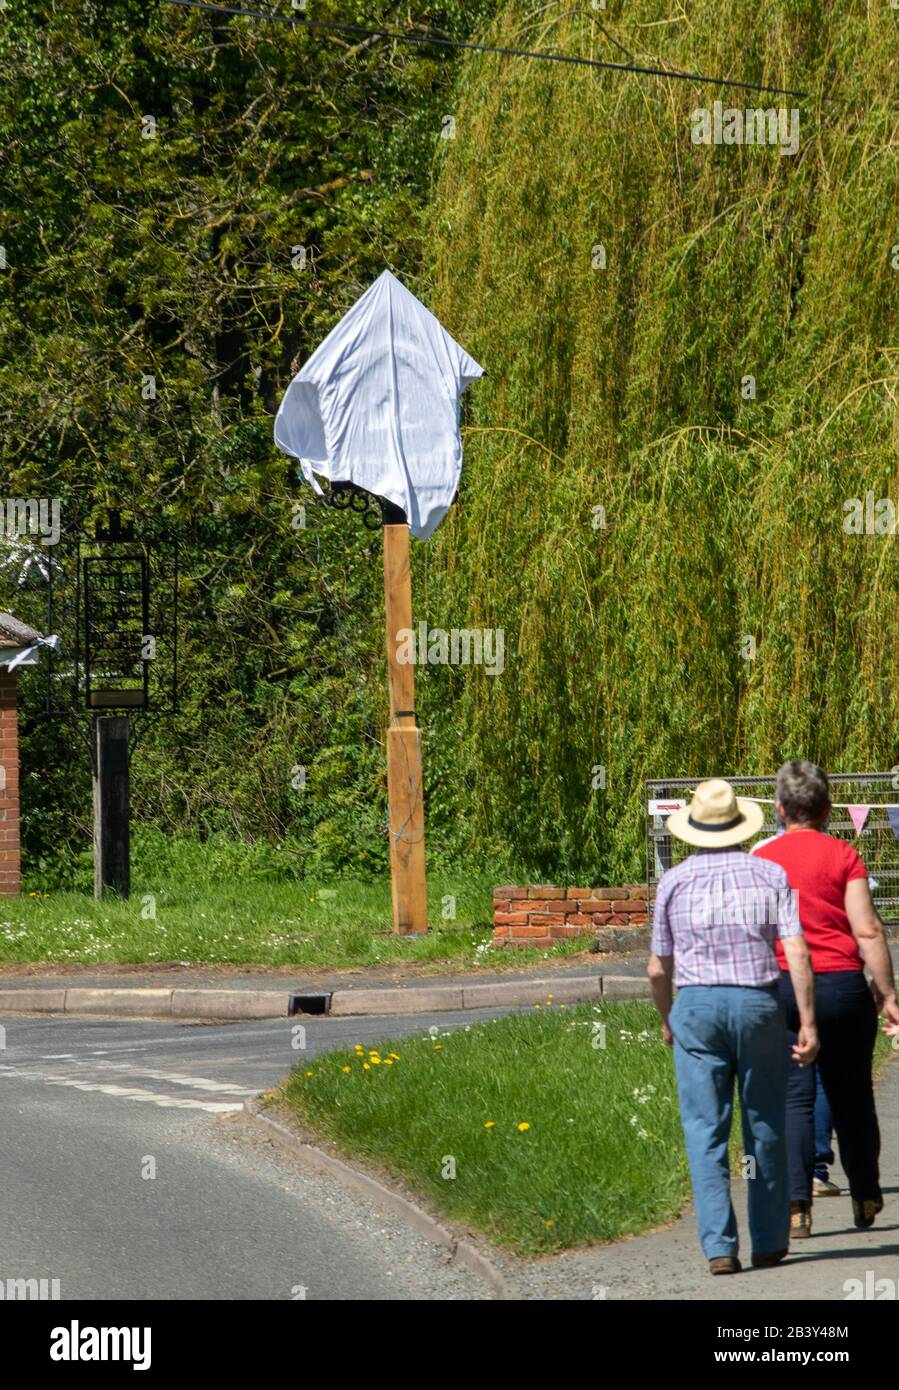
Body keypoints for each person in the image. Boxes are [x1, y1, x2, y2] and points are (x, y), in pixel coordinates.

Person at [648, 778, 818, 1276]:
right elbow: (799, 953)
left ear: (693, 830)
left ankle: (721, 1247)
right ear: (741, 827)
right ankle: (768, 1240)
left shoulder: (673, 882)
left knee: (705, 1129)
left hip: (696, 1008)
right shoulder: (770, 875)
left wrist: (668, 1018)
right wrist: (807, 1021)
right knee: (765, 1122)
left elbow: (659, 969)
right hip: (758, 1007)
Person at [754, 760, 899, 1236]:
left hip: (779, 984)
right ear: (829, 809)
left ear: (778, 808)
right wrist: (887, 992)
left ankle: (798, 1206)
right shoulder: (844, 856)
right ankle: (865, 1195)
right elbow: (867, 929)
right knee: (852, 1093)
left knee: (792, 1098)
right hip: (840, 985)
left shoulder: (760, 857)